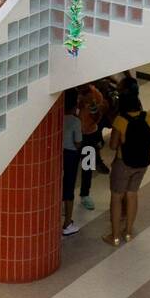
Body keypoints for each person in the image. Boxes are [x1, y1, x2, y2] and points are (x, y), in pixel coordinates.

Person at [103, 86, 150, 247]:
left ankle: (114, 237)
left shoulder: (121, 120)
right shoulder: (147, 117)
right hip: (142, 163)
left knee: (117, 197)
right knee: (132, 195)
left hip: (123, 163)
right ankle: (128, 233)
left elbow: (112, 146)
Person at [75, 82, 107, 210]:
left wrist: (91, 105)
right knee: (69, 167)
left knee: (87, 166)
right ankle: (65, 197)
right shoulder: (71, 93)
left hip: (89, 135)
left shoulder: (95, 94)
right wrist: (79, 105)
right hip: (72, 136)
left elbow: (98, 117)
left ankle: (85, 194)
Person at [61, 95, 83, 237]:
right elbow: (78, 142)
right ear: (75, 107)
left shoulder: (58, 118)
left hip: (59, 154)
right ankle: (67, 223)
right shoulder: (75, 121)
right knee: (69, 187)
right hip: (71, 155)